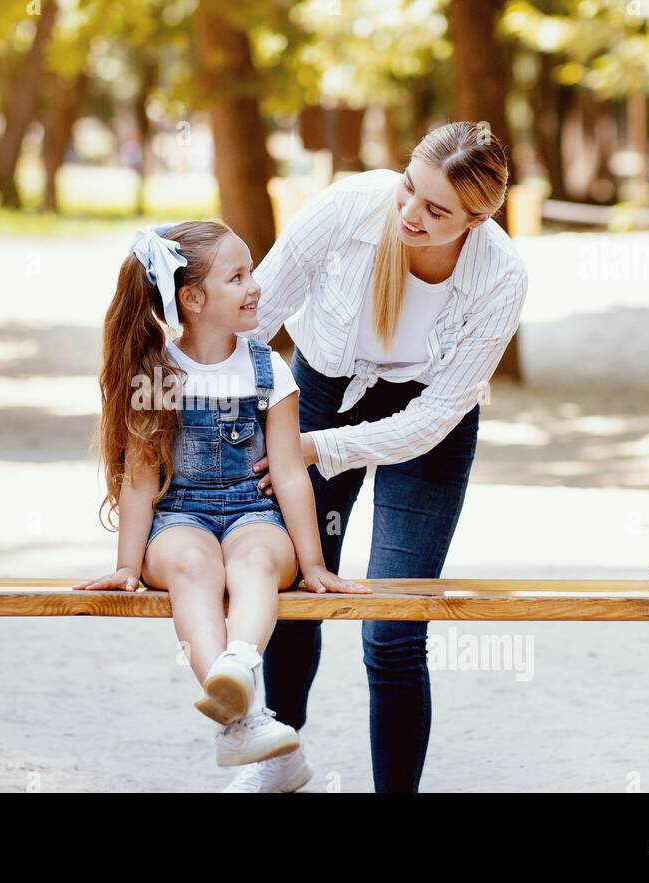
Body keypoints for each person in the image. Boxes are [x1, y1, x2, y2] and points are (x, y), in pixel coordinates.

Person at [225, 121, 529, 792]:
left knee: (391, 626)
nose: (411, 214)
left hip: (428, 426)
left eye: (437, 209)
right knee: (295, 583)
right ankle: (279, 760)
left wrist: (315, 449)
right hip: (325, 387)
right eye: (409, 190)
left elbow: (428, 421)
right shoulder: (349, 205)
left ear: (477, 220)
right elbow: (258, 311)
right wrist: (214, 411)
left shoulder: (501, 275)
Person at [75, 220, 369, 775]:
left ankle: (238, 662)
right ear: (192, 298)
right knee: (192, 566)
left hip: (253, 515)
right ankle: (243, 722)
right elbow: (140, 479)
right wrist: (125, 564)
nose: (255, 285)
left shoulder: (268, 369)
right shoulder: (158, 373)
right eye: (238, 276)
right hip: (179, 516)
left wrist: (312, 564)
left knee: (254, 560)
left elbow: (288, 476)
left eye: (251, 271)